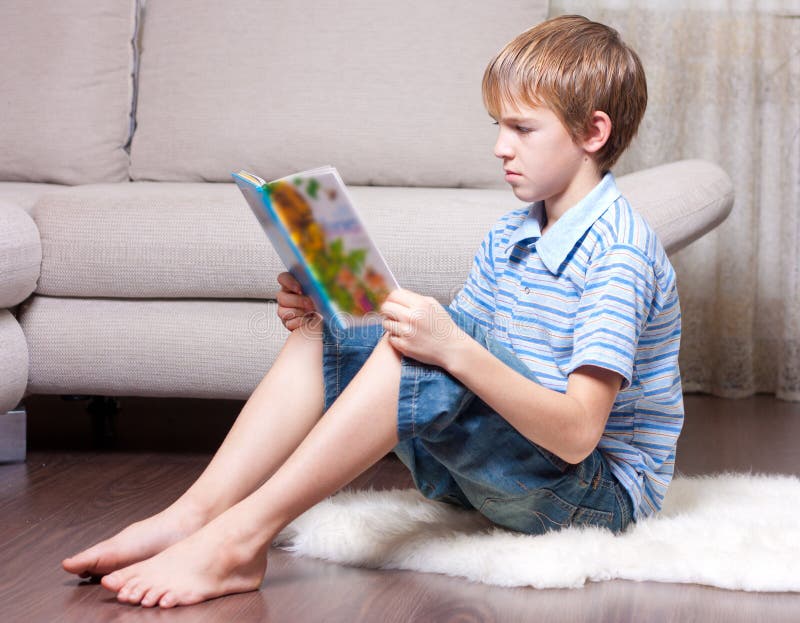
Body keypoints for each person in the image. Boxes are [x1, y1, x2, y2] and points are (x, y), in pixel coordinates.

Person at [62, 14, 683, 608]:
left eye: (522, 129)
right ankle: (193, 517)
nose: (499, 147)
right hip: (505, 471)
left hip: (592, 497)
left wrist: (452, 346)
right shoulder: (511, 233)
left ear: (592, 134)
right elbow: (458, 359)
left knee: (432, 345)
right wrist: (334, 313)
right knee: (331, 331)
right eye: (497, 126)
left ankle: (239, 541)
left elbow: (576, 435)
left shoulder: (619, 253)